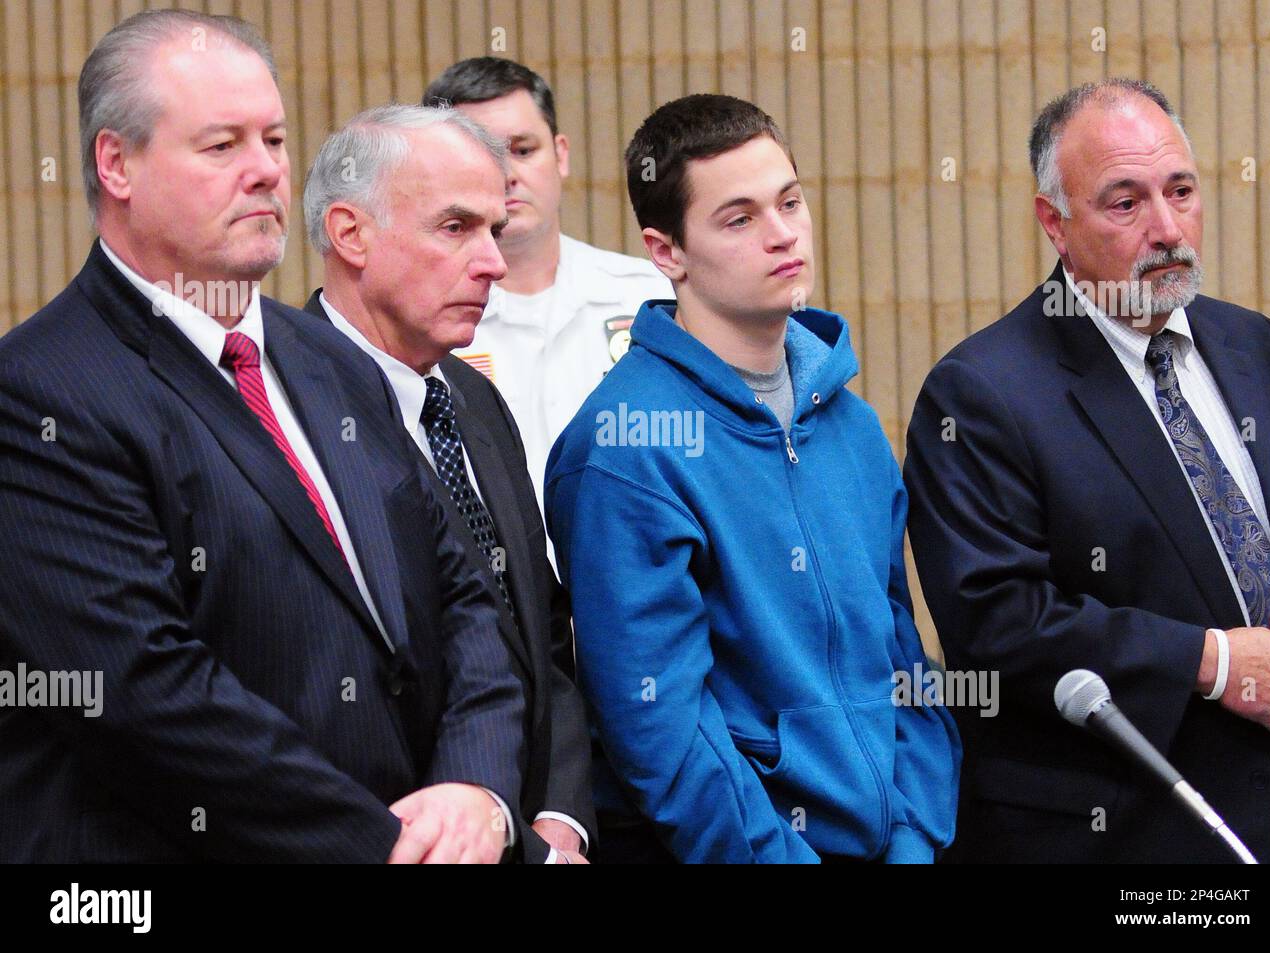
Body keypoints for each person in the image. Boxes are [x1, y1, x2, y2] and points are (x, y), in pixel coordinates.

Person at [0, 9, 523, 863]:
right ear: (116, 163)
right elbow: (147, 695)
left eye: (275, 141)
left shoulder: (331, 355)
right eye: (222, 147)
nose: (266, 173)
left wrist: (477, 791)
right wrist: (390, 845)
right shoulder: (38, 394)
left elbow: (463, 598)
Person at [544, 93, 961, 863]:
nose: (783, 235)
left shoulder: (852, 423)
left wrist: (913, 837)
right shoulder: (624, 449)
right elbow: (661, 731)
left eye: (791, 202)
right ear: (666, 252)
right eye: (738, 219)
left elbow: (901, 653)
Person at [904, 79, 1270, 863]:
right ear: (1055, 222)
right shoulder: (982, 392)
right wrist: (1214, 661)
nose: (1167, 229)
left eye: (1181, 191)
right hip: (1126, 830)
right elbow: (998, 622)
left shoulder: (1252, 344)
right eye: (1125, 203)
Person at [301, 104, 595, 864]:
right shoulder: (281, 416)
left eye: (496, 229)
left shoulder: (470, 396)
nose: (494, 261)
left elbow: (540, 634)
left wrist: (560, 817)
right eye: (456, 227)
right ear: (350, 233)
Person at [423, 57, 673, 508]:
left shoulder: (650, 296)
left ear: (560, 153)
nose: (508, 174)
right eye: (484, 154)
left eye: (523, 149)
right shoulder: (422, 322)